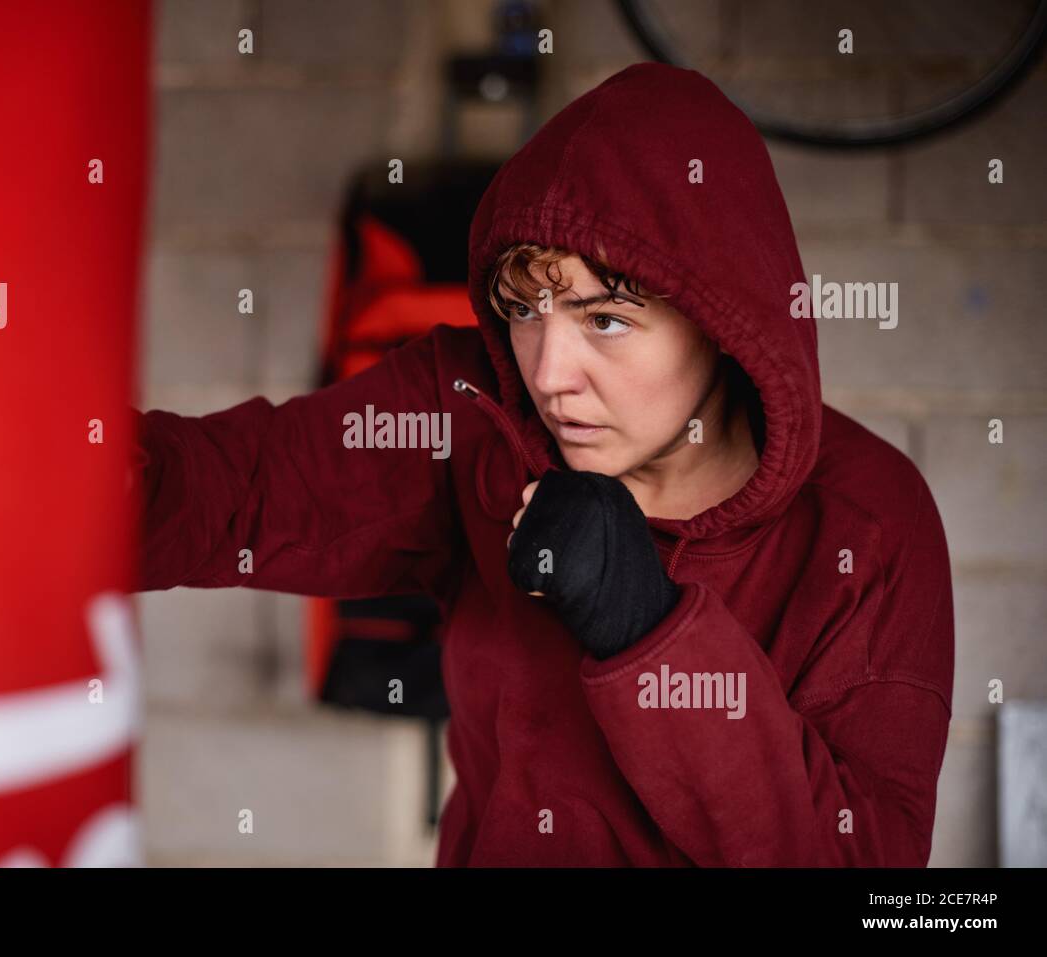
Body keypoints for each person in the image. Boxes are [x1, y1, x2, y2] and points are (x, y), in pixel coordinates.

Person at [131, 62, 954, 866]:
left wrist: (654, 630)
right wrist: (50, 480)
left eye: (606, 320)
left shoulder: (867, 522)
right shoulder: (478, 413)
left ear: (718, 320)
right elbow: (228, 489)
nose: (550, 374)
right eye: (523, 310)